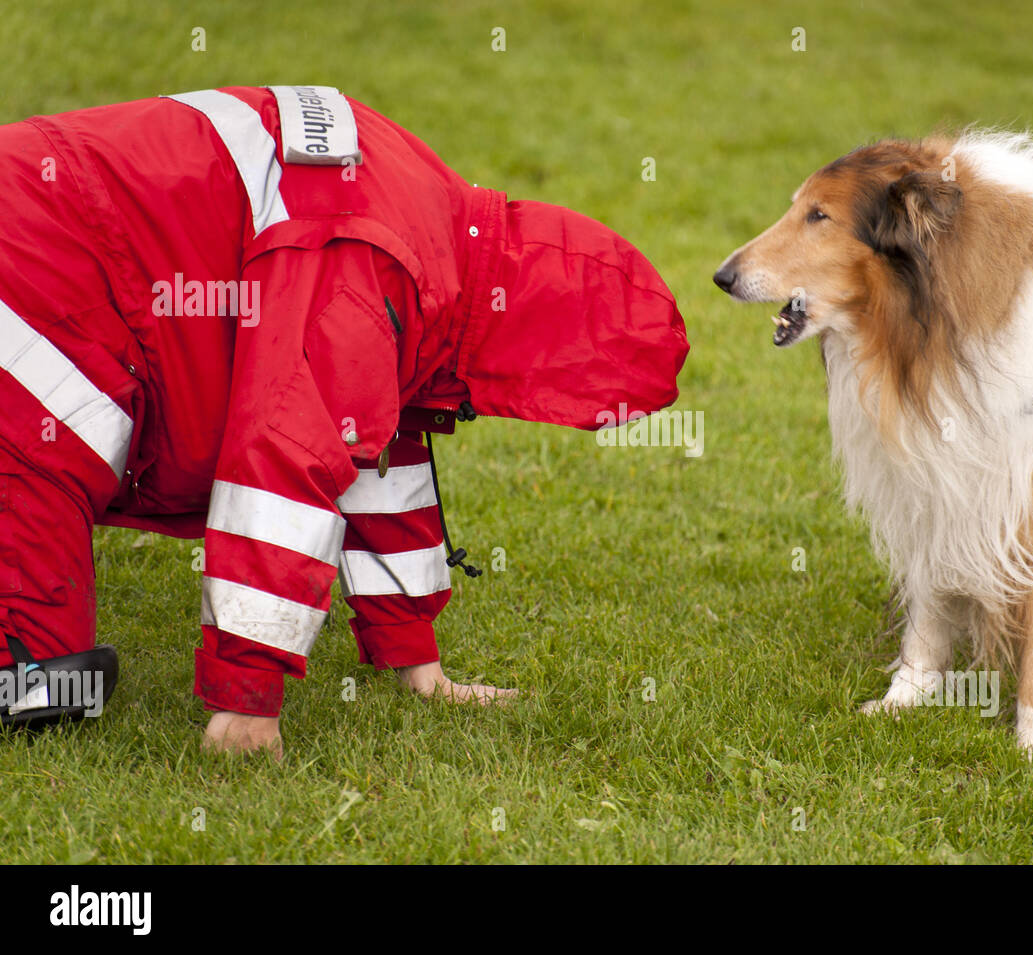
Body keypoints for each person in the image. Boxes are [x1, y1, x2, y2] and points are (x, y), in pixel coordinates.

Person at [0, 85, 688, 754]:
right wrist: (247, 700)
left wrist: (414, 657)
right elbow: (281, 461)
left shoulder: (438, 241)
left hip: (63, 235)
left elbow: (373, 444)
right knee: (42, 681)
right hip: (32, 261)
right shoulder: (375, 269)